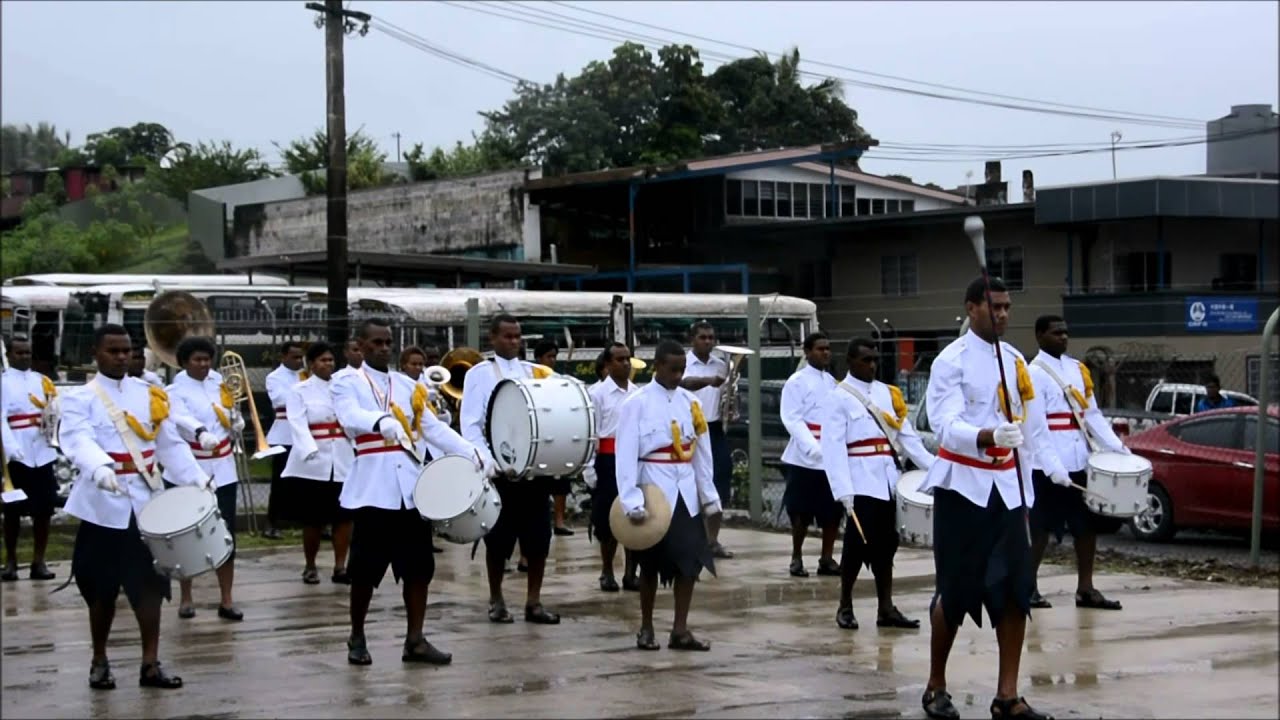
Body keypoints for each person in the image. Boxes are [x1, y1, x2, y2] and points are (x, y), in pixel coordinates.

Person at [917, 276, 1060, 720]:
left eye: (1006, 307)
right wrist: (986, 434)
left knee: (1015, 589)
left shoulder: (1016, 361)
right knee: (955, 591)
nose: (1001, 314)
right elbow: (944, 424)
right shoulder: (950, 361)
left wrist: (1038, 477)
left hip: (1010, 490)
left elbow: (1031, 429)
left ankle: (1007, 695)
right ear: (972, 307)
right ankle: (936, 684)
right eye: (993, 306)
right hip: (964, 489)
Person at [59, 324, 213, 690]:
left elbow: (169, 444)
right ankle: (99, 660)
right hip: (104, 507)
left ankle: (150, 663)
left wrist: (194, 476)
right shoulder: (80, 398)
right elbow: (77, 439)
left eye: (126, 350)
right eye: (113, 351)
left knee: (150, 588)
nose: (121, 356)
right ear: (96, 354)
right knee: (101, 590)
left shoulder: (149, 394)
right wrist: (98, 468)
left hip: (146, 504)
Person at [333, 318, 491, 666]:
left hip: (410, 489)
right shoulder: (346, 381)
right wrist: (379, 421)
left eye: (388, 342)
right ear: (361, 344)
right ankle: (357, 635)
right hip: (374, 489)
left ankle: (415, 640)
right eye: (376, 342)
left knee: (419, 568)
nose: (384, 348)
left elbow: (431, 428)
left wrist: (471, 451)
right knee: (364, 571)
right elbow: (348, 415)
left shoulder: (406, 385)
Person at [821, 337, 936, 630]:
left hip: (886, 478)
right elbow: (833, 448)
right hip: (859, 481)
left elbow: (908, 438)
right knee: (856, 547)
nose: (872, 364)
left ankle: (886, 608)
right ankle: (845, 605)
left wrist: (938, 470)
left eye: (875, 359)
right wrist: (843, 491)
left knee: (887, 546)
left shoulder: (888, 393)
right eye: (865, 360)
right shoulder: (839, 396)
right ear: (850, 361)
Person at [617, 339, 721, 651]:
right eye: (672, 369)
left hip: (685, 489)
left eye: (681, 370)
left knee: (690, 562)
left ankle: (680, 629)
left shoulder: (692, 402)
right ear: (657, 366)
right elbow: (625, 454)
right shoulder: (636, 403)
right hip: (654, 487)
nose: (677, 375)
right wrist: (631, 499)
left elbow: (702, 452)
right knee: (650, 563)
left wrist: (708, 494)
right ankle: (646, 627)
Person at [460, 314, 562, 625]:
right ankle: (496, 597)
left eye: (518, 337)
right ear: (492, 338)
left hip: (533, 469)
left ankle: (534, 601)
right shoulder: (479, 373)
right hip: (500, 472)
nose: (514, 342)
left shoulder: (535, 372)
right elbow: (471, 424)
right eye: (507, 336)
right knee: (498, 539)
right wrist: (488, 461)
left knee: (539, 539)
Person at [1026, 315, 1130, 611]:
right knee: (1039, 529)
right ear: (1040, 335)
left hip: (1078, 459)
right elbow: (1036, 428)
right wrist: (1052, 467)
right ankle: (1028, 588)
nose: (1063, 337)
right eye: (1056, 332)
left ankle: (1086, 589)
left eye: (1066, 332)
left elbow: (1092, 415)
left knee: (1086, 526)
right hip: (1046, 465)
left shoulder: (1077, 369)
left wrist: (1118, 448)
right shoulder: (1033, 373)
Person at [163, 336, 246, 622]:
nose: (203, 364)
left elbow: (228, 409)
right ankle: (186, 598)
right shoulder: (174, 389)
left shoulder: (220, 383)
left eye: (207, 359)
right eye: (197, 360)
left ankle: (227, 598)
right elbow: (179, 417)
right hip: (188, 466)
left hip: (222, 467)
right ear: (184, 362)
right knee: (185, 535)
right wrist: (200, 432)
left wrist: (236, 420)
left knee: (226, 535)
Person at [281, 342, 354, 585]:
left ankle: (340, 566)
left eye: (331, 360)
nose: (328, 364)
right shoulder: (299, 390)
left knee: (343, 518)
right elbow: (297, 422)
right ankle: (310, 565)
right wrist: (309, 449)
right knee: (313, 520)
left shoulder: (343, 388)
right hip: (313, 462)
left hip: (342, 457)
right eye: (323, 360)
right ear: (311, 364)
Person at [778, 332, 841, 578]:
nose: (825, 353)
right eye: (819, 349)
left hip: (830, 454)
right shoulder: (797, 381)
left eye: (827, 348)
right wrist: (811, 446)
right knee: (801, 512)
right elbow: (792, 418)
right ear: (807, 351)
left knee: (832, 511)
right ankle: (796, 557)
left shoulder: (832, 382)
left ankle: (826, 558)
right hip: (804, 457)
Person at [2, 336, 60, 581]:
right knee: (12, 511)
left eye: (27, 353)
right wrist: (10, 447)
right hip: (17, 451)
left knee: (44, 510)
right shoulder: (3, 382)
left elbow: (54, 411)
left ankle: (39, 561)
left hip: (42, 451)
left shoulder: (43, 381)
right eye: (19, 353)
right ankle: (11, 561)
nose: (24, 357)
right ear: (10, 355)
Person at [585, 343, 639, 592]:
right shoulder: (597, 394)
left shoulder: (637, 393)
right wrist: (589, 469)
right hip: (607, 461)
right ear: (607, 364)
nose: (626, 363)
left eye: (628, 359)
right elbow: (590, 434)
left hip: (632, 460)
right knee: (607, 521)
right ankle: (607, 571)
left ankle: (631, 573)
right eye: (619, 359)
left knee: (635, 518)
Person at [680, 321, 734, 559]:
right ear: (692, 339)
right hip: (687, 429)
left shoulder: (722, 366)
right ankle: (690, 537)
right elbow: (682, 384)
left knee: (720, 478)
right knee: (688, 483)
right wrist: (709, 381)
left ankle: (712, 540)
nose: (708, 342)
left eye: (711, 338)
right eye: (703, 337)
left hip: (713, 427)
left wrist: (732, 405)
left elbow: (727, 394)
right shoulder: (682, 363)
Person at [397, 345, 446, 554]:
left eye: (420, 364)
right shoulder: (399, 387)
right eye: (413, 364)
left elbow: (437, 421)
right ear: (403, 365)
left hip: (430, 446)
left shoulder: (427, 385)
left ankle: (429, 535)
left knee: (430, 492)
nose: (417, 368)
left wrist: (441, 412)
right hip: (411, 446)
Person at [262, 341, 307, 539]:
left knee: (309, 480)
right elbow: (279, 400)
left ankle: (311, 522)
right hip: (284, 433)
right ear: (284, 357)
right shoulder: (274, 377)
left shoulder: (306, 374)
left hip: (305, 433)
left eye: (301, 357)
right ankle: (271, 523)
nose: (299, 361)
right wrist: (303, 391)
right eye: (294, 357)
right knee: (280, 481)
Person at [532, 339, 576, 538]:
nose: (552, 361)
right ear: (538, 358)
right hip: (535, 437)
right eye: (549, 357)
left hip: (556, 434)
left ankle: (559, 522)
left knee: (560, 482)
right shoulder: (527, 376)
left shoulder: (559, 378)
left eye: (554, 357)